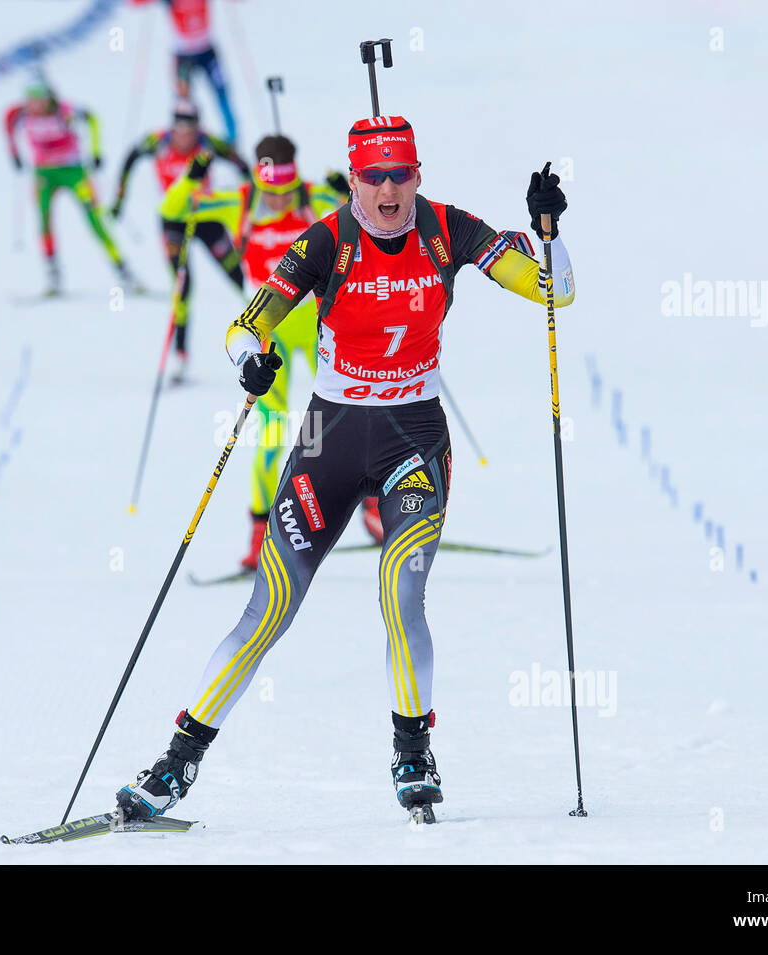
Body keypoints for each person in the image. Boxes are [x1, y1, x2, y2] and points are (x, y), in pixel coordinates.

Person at [115, 115, 575, 822]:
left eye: (401, 175)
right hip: (329, 437)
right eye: (373, 176)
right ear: (352, 178)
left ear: (417, 174)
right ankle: (176, 762)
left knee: (401, 594)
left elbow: (555, 291)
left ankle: (412, 748)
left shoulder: (448, 230)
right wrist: (251, 359)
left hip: (413, 439)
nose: (388, 190)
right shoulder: (328, 239)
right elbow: (248, 323)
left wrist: (547, 231)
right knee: (268, 609)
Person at [157, 133, 363, 562]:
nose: (276, 201)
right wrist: (191, 179)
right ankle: (260, 534)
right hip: (269, 330)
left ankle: (376, 509)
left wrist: (349, 189)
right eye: (270, 192)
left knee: (356, 413)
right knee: (270, 432)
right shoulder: (240, 201)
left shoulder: (315, 195)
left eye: (284, 192)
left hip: (321, 321)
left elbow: (371, 211)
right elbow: (172, 210)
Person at [112, 100, 249, 372]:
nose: (184, 133)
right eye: (180, 127)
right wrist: (120, 197)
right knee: (182, 286)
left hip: (205, 217)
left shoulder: (209, 143)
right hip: (173, 221)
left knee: (238, 275)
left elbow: (244, 166)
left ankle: (270, 330)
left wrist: (249, 202)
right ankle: (180, 354)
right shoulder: (157, 141)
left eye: (190, 127)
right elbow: (129, 158)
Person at [4, 81, 142, 294]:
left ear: (47, 98)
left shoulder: (63, 110)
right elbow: (7, 122)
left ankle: (124, 271)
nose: (34, 105)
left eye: (38, 99)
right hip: (44, 174)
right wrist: (14, 154)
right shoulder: (20, 114)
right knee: (44, 221)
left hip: (74, 171)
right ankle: (53, 276)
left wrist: (96, 152)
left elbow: (92, 119)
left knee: (94, 219)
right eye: (30, 100)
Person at [133, 0, 238, 143]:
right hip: (184, 55)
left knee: (222, 95)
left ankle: (232, 141)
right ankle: (184, 142)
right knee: (183, 103)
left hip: (207, 52)